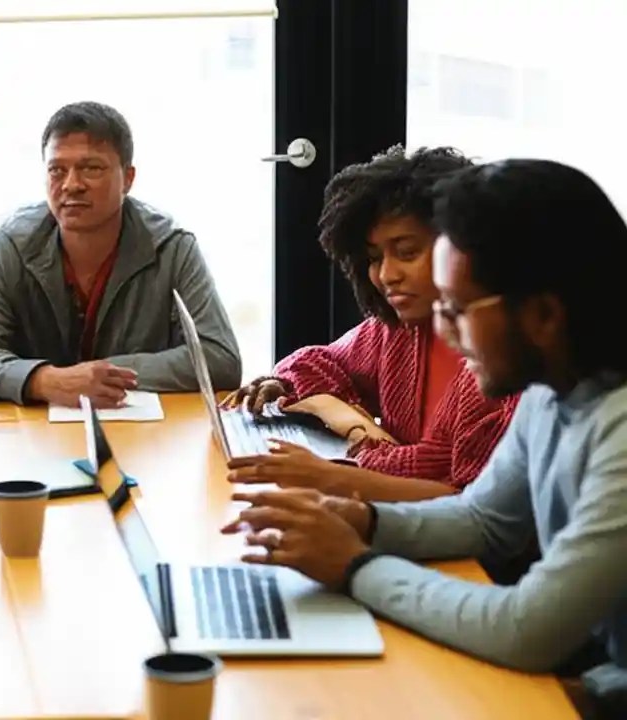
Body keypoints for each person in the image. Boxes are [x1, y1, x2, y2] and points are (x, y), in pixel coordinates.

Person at [224, 160, 627, 719]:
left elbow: (528, 630)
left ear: (544, 314)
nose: (443, 332)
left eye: (457, 310)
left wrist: (354, 566)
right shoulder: (552, 386)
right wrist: (361, 521)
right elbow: (484, 519)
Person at [225, 146, 519, 501]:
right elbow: (316, 363)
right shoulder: (400, 329)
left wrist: (350, 431)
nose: (386, 275)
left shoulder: (503, 350)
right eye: (374, 258)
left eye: (407, 252)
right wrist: (284, 384)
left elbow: (462, 492)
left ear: (459, 246)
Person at [0, 101, 241, 408]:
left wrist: (102, 375)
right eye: (57, 170)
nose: (72, 185)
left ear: (128, 178)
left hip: (143, 434)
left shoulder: (170, 246)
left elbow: (220, 359)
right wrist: (48, 380)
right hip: (34, 433)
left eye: (91, 169)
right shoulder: (13, 244)